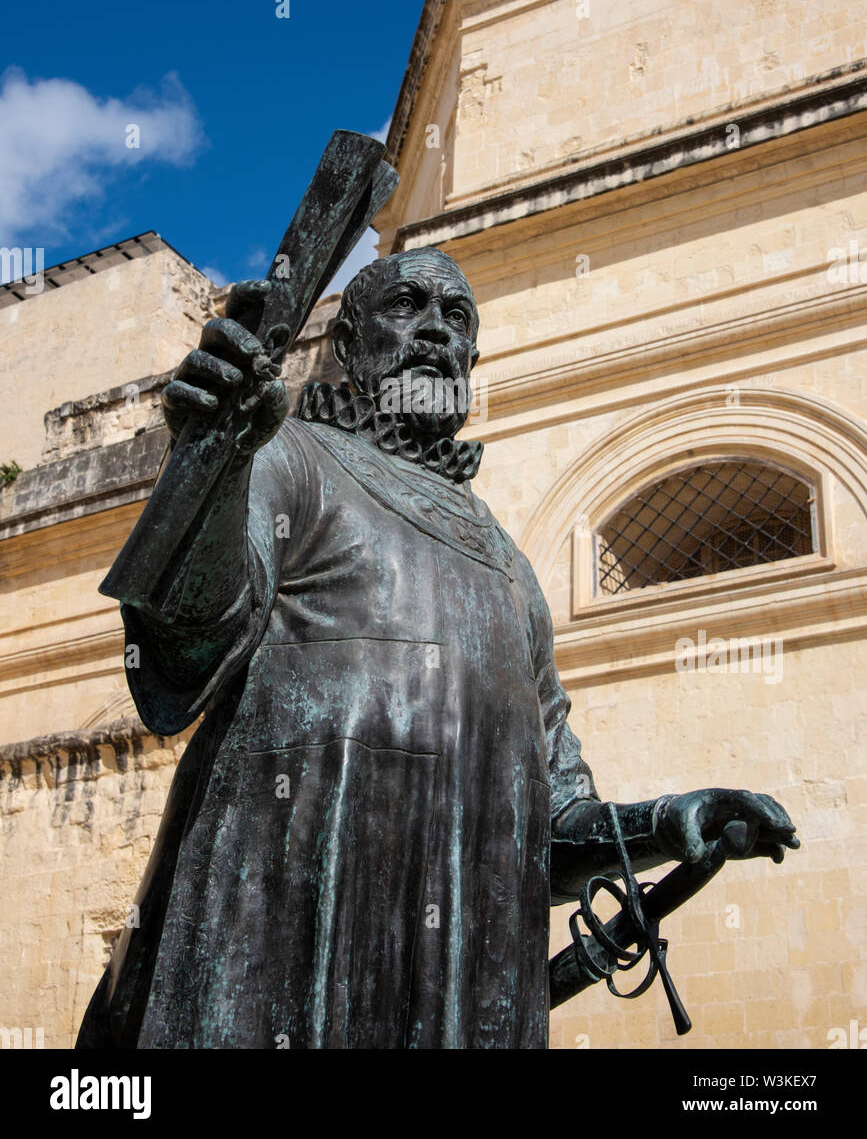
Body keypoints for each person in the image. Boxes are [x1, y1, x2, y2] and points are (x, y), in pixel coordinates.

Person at [77, 247, 798, 1049]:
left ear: (472, 359)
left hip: (455, 984)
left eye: (455, 319)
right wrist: (212, 459)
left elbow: (553, 824)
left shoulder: (509, 566)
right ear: (347, 346)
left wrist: (667, 823)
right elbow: (183, 645)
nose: (432, 330)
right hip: (278, 943)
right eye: (406, 305)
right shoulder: (290, 455)